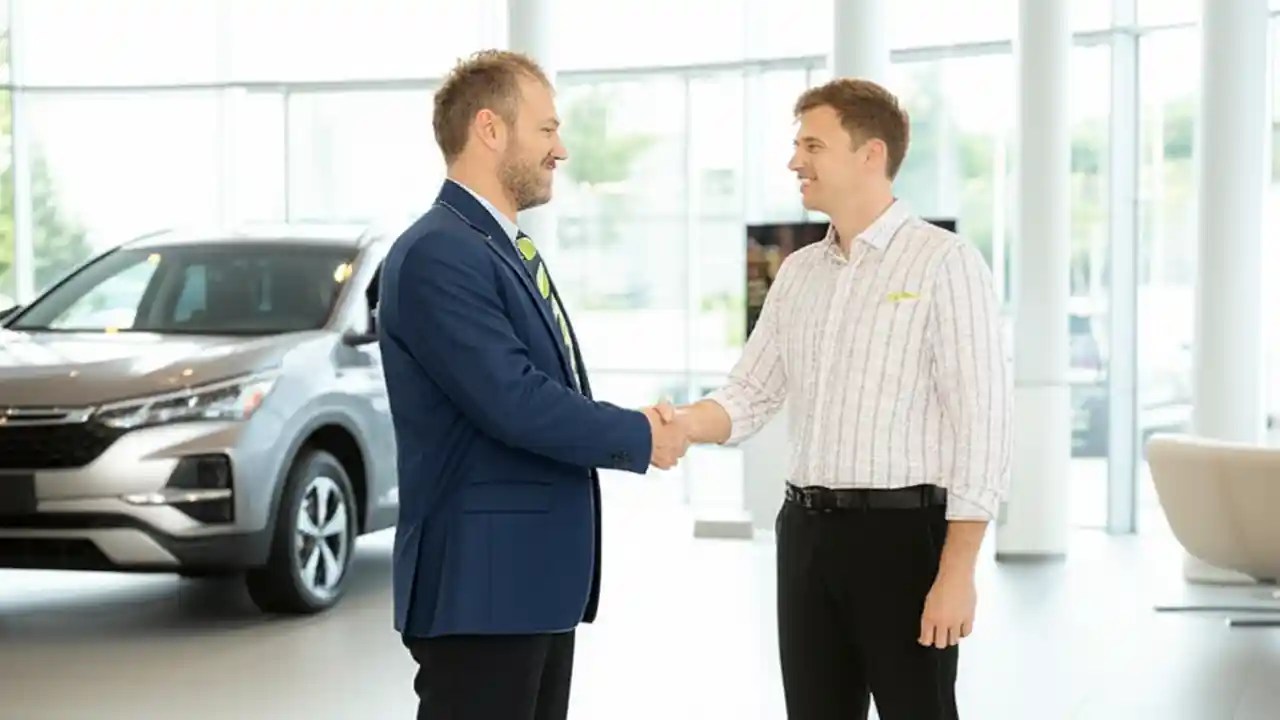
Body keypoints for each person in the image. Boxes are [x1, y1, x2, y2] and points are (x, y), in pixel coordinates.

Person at [668, 78, 1012, 719]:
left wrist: (957, 571)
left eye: (812, 145)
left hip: (903, 540)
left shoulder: (945, 263)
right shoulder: (798, 272)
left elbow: (983, 425)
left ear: (869, 154)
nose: (796, 160)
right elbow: (751, 391)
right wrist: (679, 425)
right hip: (805, 535)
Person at [378, 49, 689, 720]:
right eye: (547, 129)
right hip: (481, 592)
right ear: (490, 129)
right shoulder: (440, 252)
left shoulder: (493, 245)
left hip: (523, 586)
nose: (562, 149)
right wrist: (640, 434)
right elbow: (513, 400)